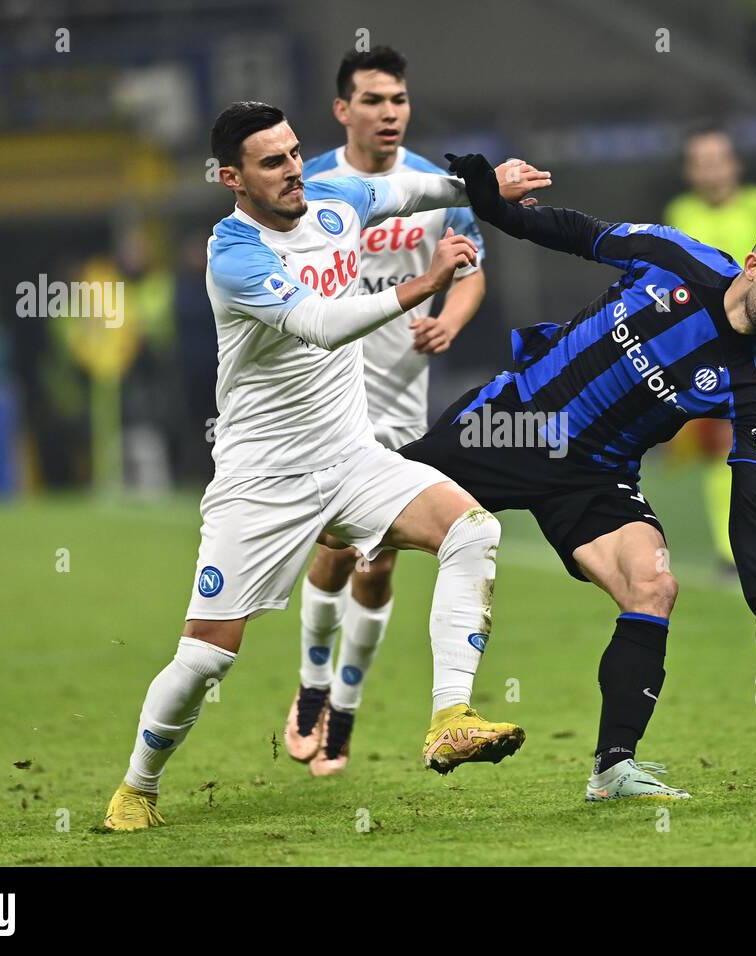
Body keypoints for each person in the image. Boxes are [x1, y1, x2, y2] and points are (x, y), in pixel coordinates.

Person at [103, 105, 549, 830]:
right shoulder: (234, 254)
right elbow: (319, 324)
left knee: (472, 530)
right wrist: (423, 282)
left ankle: (449, 716)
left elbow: (414, 192)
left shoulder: (335, 198)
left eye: (294, 153)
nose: (292, 171)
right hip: (262, 479)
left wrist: (486, 185)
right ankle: (137, 786)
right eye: (271, 162)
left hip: (350, 457)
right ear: (231, 178)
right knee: (208, 657)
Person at [400, 153, 756, 800]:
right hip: (513, 425)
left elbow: (750, 505)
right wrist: (491, 206)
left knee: (654, 585)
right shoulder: (674, 256)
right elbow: (574, 231)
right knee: (354, 533)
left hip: (595, 480)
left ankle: (612, 768)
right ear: (754, 266)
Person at [283, 46, 490, 777]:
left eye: (398, 99)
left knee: (375, 570)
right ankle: (311, 688)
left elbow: (471, 272)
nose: (390, 112)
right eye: (372, 100)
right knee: (337, 552)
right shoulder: (310, 187)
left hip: (406, 404)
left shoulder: (437, 187)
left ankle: (344, 702)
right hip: (330, 401)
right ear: (343, 110)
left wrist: (452, 322)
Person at [663, 126, 756, 574]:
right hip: (709, 346)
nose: (712, 169)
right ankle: (731, 550)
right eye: (702, 161)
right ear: (690, 171)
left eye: (719, 159)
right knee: (723, 447)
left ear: (735, 164)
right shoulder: (680, 213)